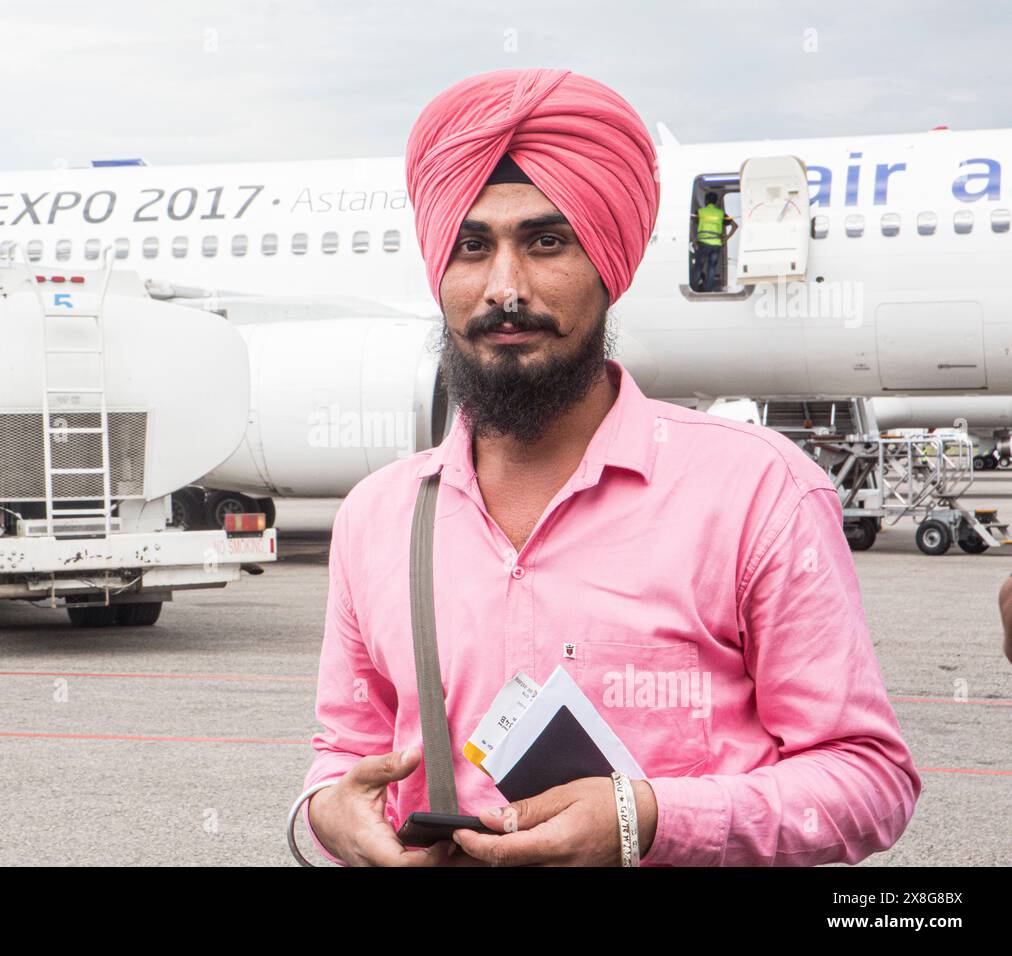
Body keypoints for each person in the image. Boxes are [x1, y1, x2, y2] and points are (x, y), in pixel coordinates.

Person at [289, 67, 920, 867]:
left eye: (546, 242)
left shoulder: (758, 491)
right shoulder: (378, 515)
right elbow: (344, 752)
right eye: (471, 247)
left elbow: (869, 780)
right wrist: (328, 812)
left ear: (609, 266)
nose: (504, 289)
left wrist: (653, 819)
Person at [691, 191, 737, 291]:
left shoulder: (700, 212)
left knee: (699, 267)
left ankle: (694, 289)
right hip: (716, 245)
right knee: (711, 268)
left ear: (706, 201)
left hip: (703, 243)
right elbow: (735, 225)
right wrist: (726, 239)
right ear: (715, 202)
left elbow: (691, 224)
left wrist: (694, 239)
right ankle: (708, 290)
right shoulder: (720, 213)